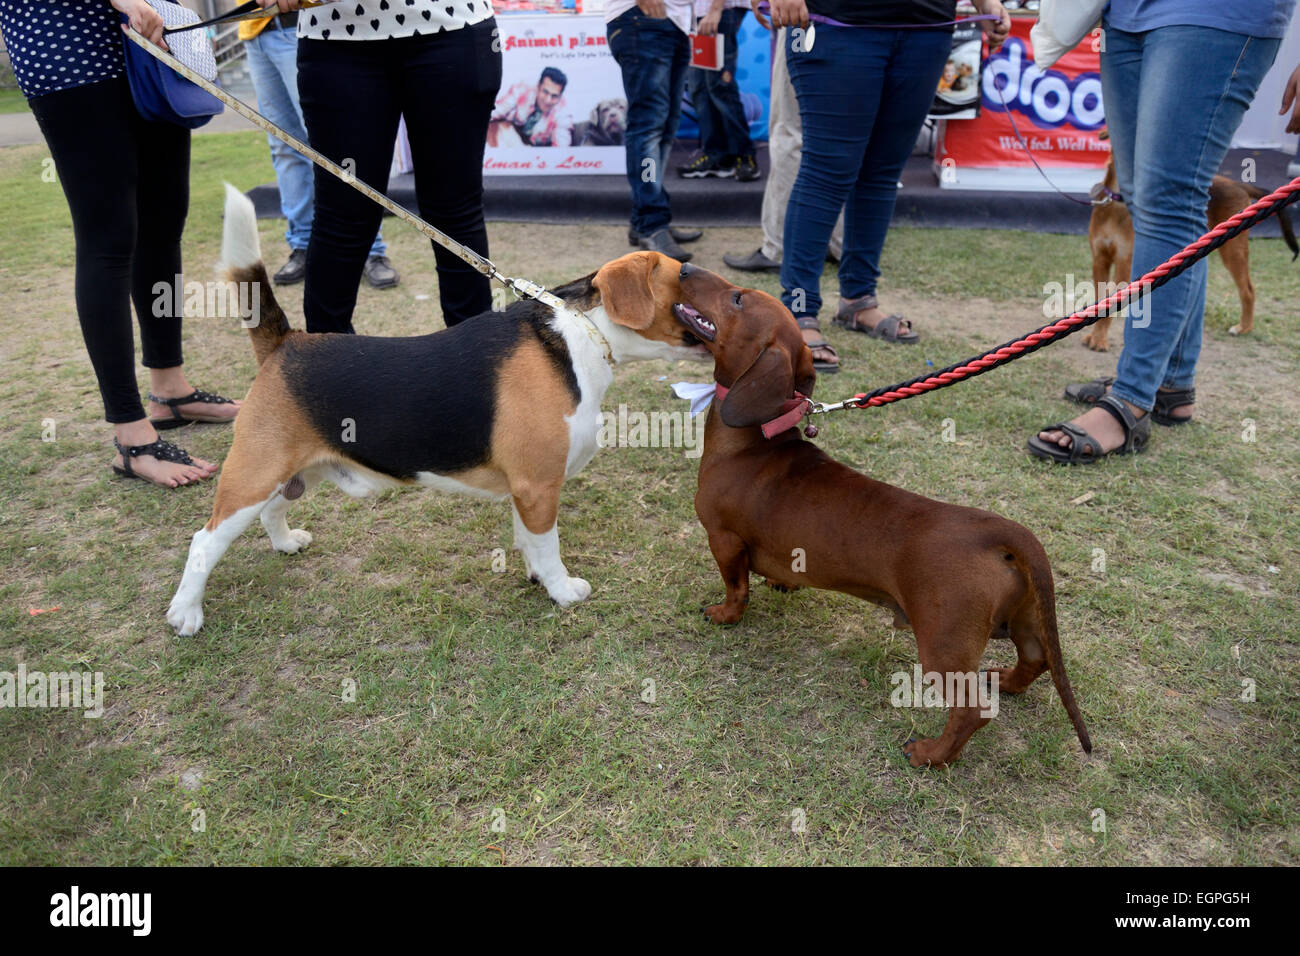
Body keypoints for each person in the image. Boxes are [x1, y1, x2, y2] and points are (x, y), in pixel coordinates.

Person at [1028, 0, 1296, 464]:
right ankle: (1170, 384)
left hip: (1216, 15)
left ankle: (1130, 401)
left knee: (1170, 201)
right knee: (1147, 199)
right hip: (1125, 13)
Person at [0, 0, 243, 488]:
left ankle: (170, 391)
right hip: (67, 41)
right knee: (108, 238)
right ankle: (132, 437)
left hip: (149, 32)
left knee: (163, 220)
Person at [758, 0, 1009, 374]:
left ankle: (858, 300)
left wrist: (987, 4)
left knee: (882, 172)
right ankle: (798, 310)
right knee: (826, 169)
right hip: (838, 22)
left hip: (926, 27)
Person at [296, 0, 502, 333]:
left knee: (455, 214)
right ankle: (322, 374)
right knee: (342, 217)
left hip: (452, 29)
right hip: (335, 41)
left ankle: (475, 370)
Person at [240, 6, 399, 289]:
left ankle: (372, 251)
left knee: (337, 147)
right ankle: (302, 245)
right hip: (255, 30)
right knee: (284, 146)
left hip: (300, 24)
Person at [723, 23, 844, 289]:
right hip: (857, 27)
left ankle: (779, 247)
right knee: (840, 135)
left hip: (808, 18)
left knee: (791, 132)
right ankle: (839, 243)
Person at [606, 0, 704, 261]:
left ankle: (644, 220)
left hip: (675, 22)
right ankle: (652, 222)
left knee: (664, 126)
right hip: (642, 19)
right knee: (648, 126)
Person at [678, 0, 760, 181]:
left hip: (719, 8)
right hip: (693, 13)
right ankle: (718, 156)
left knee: (720, 86)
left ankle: (744, 155)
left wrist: (715, 10)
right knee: (699, 87)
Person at [492, 67, 575, 147]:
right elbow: (496, 111)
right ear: (538, 86)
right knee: (499, 126)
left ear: (560, 96)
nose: (547, 100)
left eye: (554, 96)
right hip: (508, 135)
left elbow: (561, 150)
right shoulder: (522, 89)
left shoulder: (564, 114)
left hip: (534, 150)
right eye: (545, 92)